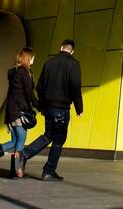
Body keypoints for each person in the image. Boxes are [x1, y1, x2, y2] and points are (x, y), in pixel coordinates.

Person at [22, 39, 83, 180]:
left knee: (48, 135)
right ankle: (48, 171)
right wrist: (79, 108)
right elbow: (75, 88)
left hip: (48, 108)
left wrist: (42, 104)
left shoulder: (49, 63)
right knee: (58, 140)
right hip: (62, 109)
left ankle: (24, 154)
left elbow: (39, 87)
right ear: (72, 51)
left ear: (61, 48)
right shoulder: (74, 64)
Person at [0, 47, 37, 177]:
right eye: (32, 57)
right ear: (28, 58)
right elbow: (28, 94)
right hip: (19, 111)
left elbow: (18, 94)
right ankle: (16, 170)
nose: (34, 60)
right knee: (21, 140)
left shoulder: (15, 73)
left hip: (12, 111)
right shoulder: (24, 73)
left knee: (14, 141)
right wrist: (37, 105)